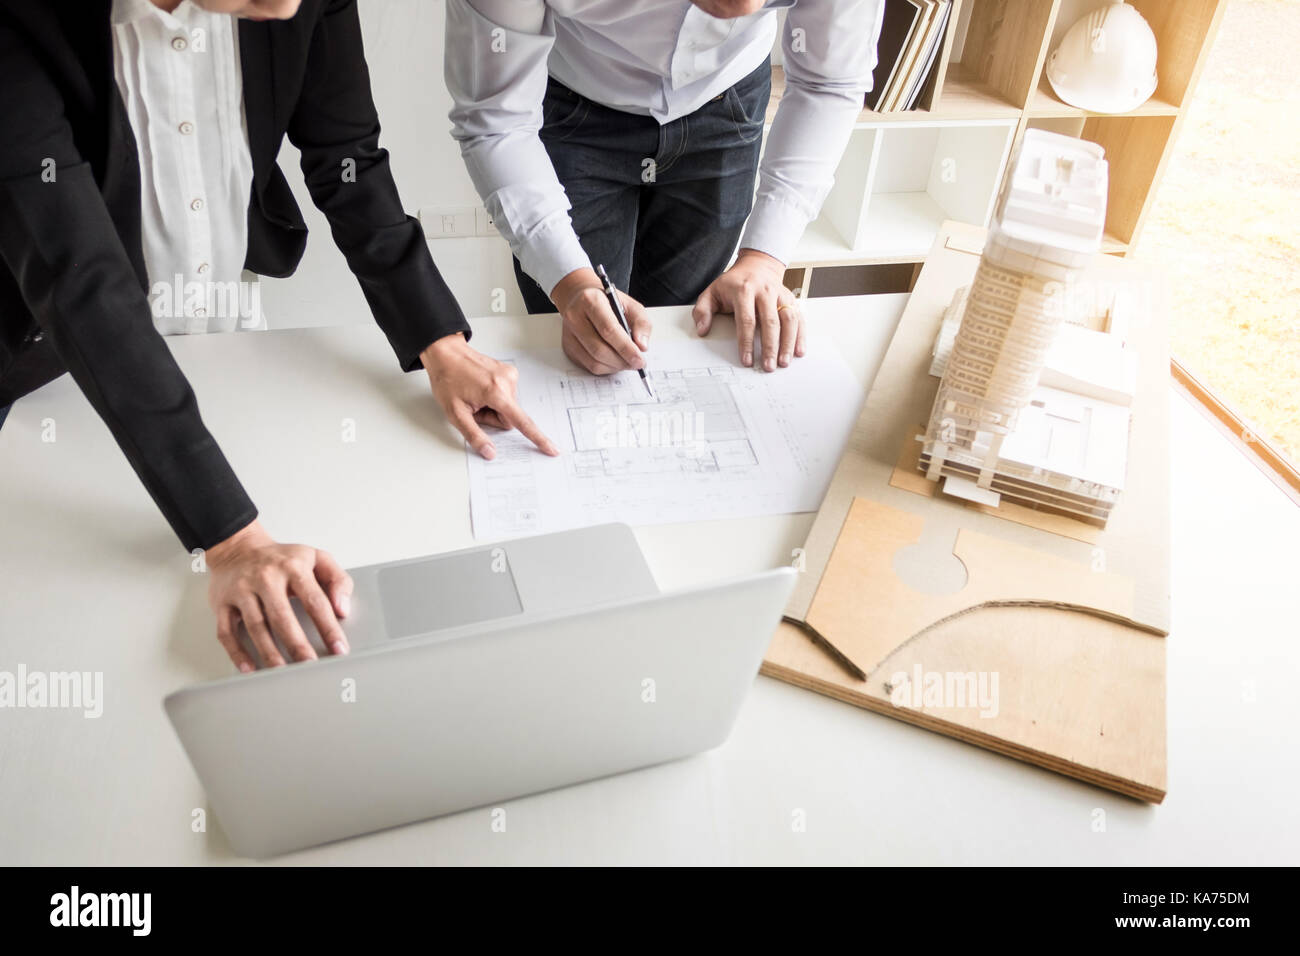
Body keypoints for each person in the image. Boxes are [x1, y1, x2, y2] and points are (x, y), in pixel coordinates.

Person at [0, 0, 557, 671]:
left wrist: (439, 339)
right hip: (36, 364)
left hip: (223, 335)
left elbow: (345, 157)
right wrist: (231, 542)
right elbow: (81, 283)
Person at [445, 0, 881, 376]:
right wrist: (570, 283)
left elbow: (831, 82)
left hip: (726, 102)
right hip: (572, 107)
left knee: (686, 335)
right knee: (585, 340)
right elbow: (495, 120)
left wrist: (764, 259)